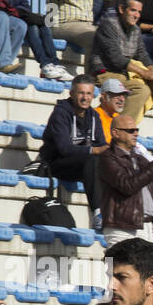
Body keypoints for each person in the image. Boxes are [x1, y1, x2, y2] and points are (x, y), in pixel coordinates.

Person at [93, 0, 153, 140]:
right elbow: (115, 59)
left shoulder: (135, 29)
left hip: (124, 73)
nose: (136, 15)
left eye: (139, 12)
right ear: (122, 9)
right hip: (106, 72)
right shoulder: (108, 25)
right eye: (133, 11)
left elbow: (142, 54)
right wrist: (145, 73)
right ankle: (122, 129)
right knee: (142, 89)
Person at [97, 114, 153, 244]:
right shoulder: (108, 158)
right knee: (118, 265)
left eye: (136, 130)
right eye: (130, 130)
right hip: (120, 227)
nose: (135, 134)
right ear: (115, 133)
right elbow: (127, 186)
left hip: (146, 226)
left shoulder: (139, 158)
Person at [38, 75, 108, 218]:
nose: (85, 97)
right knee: (92, 158)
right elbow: (64, 148)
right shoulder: (61, 113)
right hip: (57, 164)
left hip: (82, 165)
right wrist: (93, 150)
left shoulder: (94, 116)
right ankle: (98, 213)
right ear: (71, 94)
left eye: (89, 93)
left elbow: (101, 144)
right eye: (81, 93)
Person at [47, 0, 118, 67]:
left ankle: (107, 75)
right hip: (61, 25)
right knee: (93, 36)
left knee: (111, 35)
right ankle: (90, 78)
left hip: (85, 26)